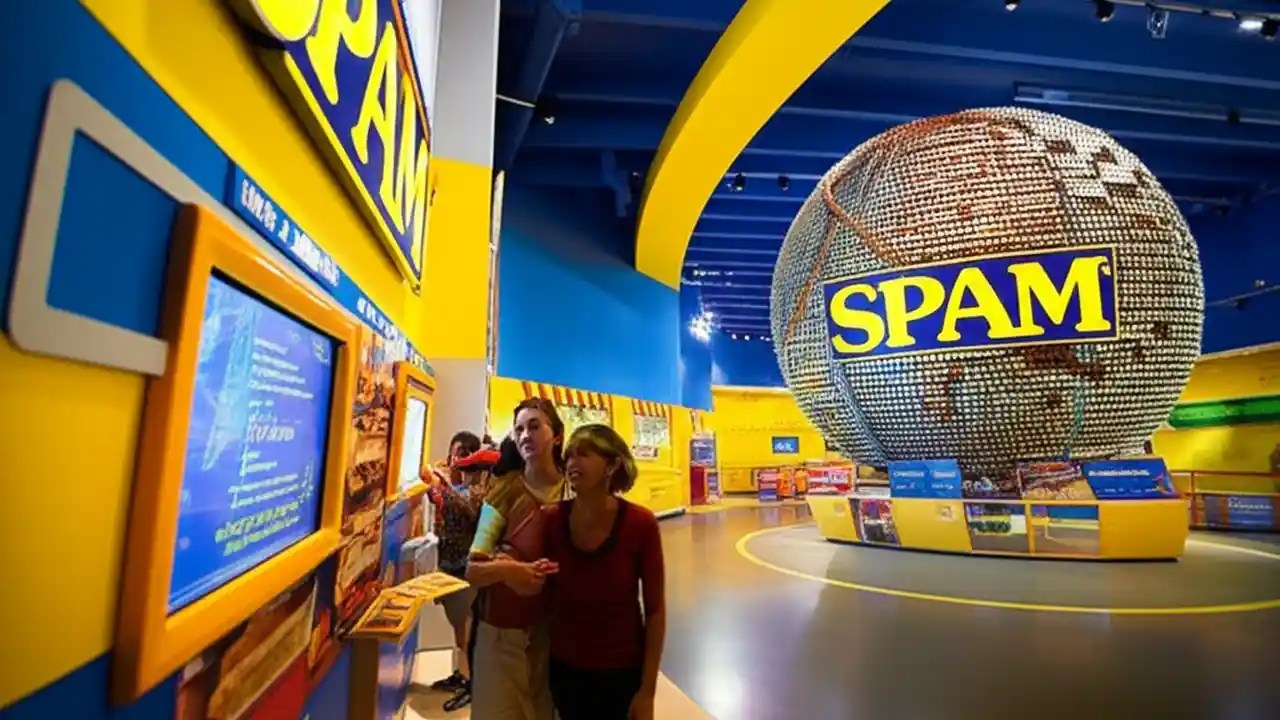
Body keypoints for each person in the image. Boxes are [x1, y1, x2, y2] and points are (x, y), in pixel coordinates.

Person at [542, 424, 666, 720]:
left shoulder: (641, 525)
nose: (572, 463)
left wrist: (647, 691)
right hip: (565, 672)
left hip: (621, 675)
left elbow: (655, 612)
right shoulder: (553, 520)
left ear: (611, 465)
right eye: (569, 456)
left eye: (583, 455)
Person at [465, 399, 572, 720]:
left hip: (555, 637)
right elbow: (473, 568)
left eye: (535, 426)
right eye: (520, 429)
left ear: (556, 435)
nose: (526, 435)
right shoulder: (505, 491)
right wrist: (510, 570)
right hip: (501, 638)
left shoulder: (574, 491)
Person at [424, 431, 490, 710]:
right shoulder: (457, 486)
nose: (455, 458)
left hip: (465, 569)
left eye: (462, 453)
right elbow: (439, 500)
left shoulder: (478, 490)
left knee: (465, 630)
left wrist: (440, 479)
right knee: (457, 627)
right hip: (449, 567)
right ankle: (462, 674)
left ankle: (471, 682)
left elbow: (465, 507)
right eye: (453, 452)